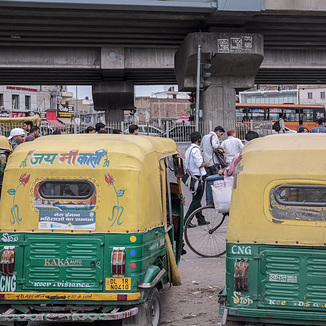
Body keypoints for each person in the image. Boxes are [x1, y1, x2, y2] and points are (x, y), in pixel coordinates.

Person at [184, 131, 210, 228]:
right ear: (198, 140)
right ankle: (186, 220)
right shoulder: (196, 150)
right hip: (198, 178)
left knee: (197, 200)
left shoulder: (188, 150)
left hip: (191, 178)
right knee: (196, 200)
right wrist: (206, 163)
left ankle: (200, 219)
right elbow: (199, 164)